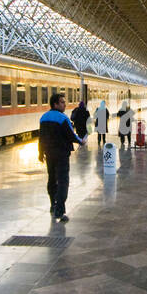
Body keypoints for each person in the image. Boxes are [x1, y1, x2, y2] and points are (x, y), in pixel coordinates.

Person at [39, 92, 85, 222]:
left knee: (52, 180)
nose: (65, 104)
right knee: (63, 182)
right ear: (55, 104)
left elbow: (41, 137)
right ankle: (60, 211)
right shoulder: (62, 118)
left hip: (49, 154)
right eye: (62, 102)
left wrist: (40, 152)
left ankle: (53, 205)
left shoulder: (43, 117)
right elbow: (71, 135)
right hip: (61, 154)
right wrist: (81, 141)